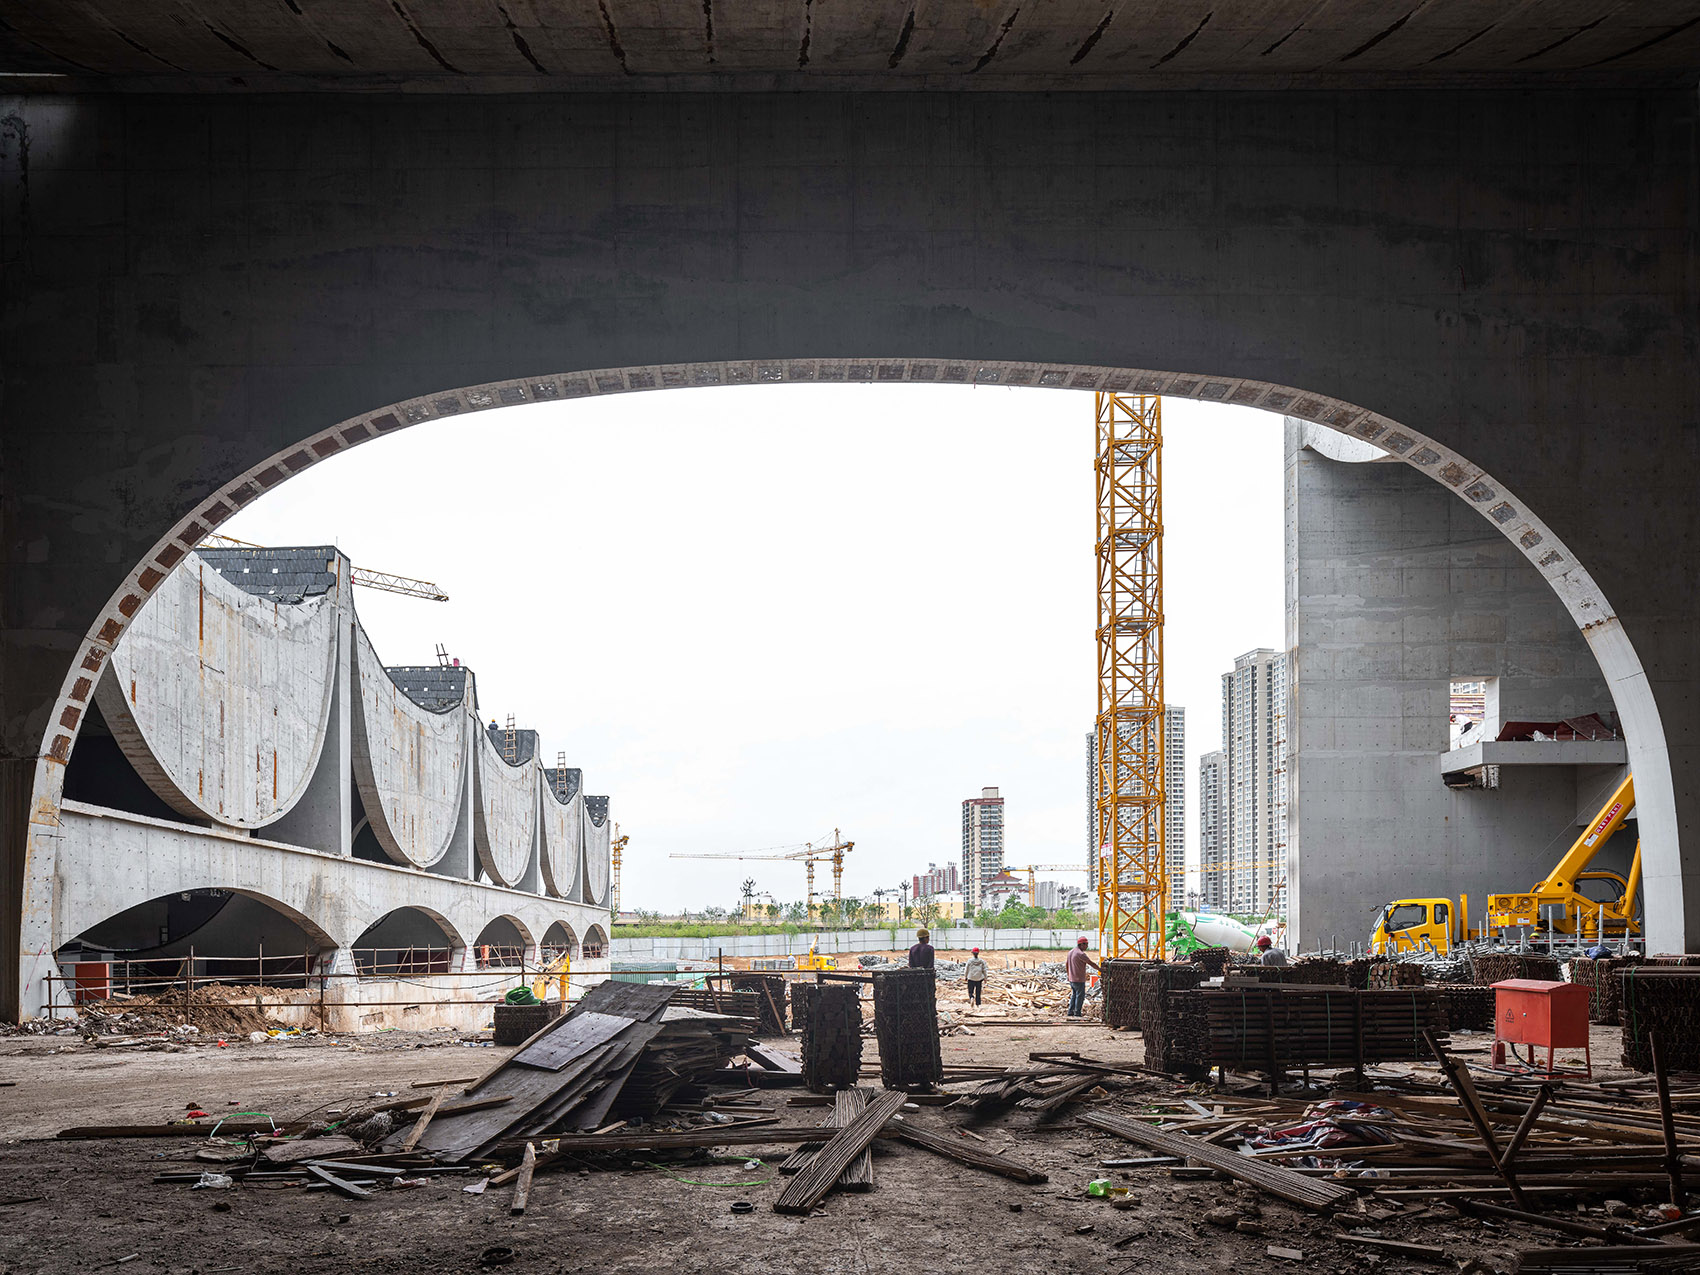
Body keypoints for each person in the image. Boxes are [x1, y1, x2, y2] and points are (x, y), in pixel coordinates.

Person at [1065, 936, 1100, 1017]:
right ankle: (1077, 1013)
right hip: (1079, 979)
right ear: (1082, 944)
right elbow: (1091, 963)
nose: (1087, 946)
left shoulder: (1070, 952)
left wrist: (1068, 975)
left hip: (1072, 979)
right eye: (1086, 944)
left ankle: (1070, 1012)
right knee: (1080, 997)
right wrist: (1100, 970)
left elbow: (1066, 964)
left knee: (1074, 995)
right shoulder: (1081, 954)